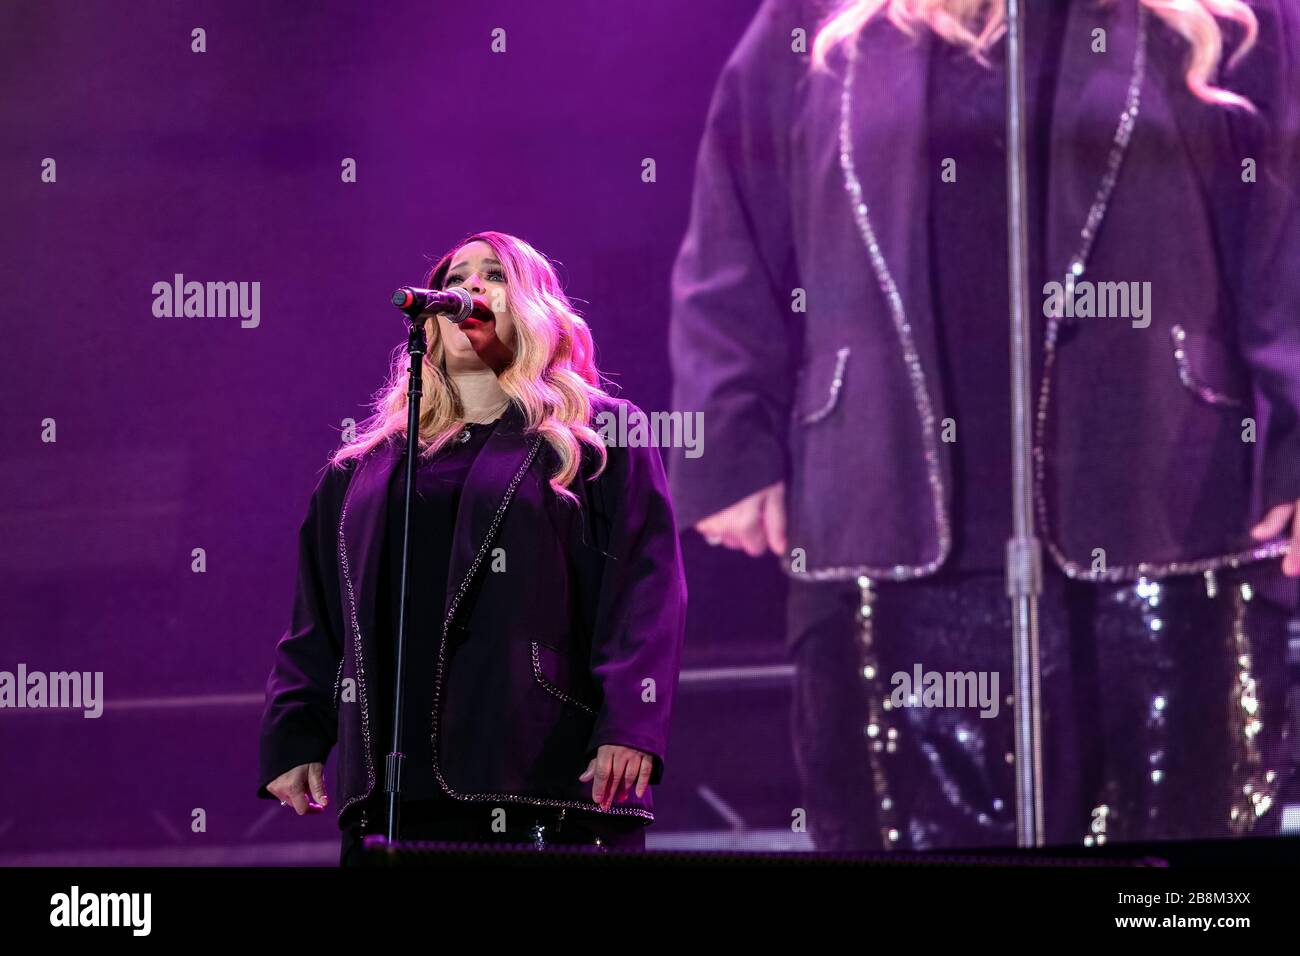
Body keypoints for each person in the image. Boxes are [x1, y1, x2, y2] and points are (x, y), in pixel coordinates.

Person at [669, 0, 1300, 849]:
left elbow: (1289, 231)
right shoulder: (820, 21)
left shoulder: (1234, 16)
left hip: (1171, 536)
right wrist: (729, 436)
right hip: (885, 537)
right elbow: (730, 224)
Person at [256, 231, 687, 865]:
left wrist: (630, 725)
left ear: (537, 310)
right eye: (456, 278)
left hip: (538, 767)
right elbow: (317, 617)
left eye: (494, 276)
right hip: (390, 787)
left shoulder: (596, 437)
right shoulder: (362, 472)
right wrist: (295, 732)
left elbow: (645, 591)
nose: (469, 289)